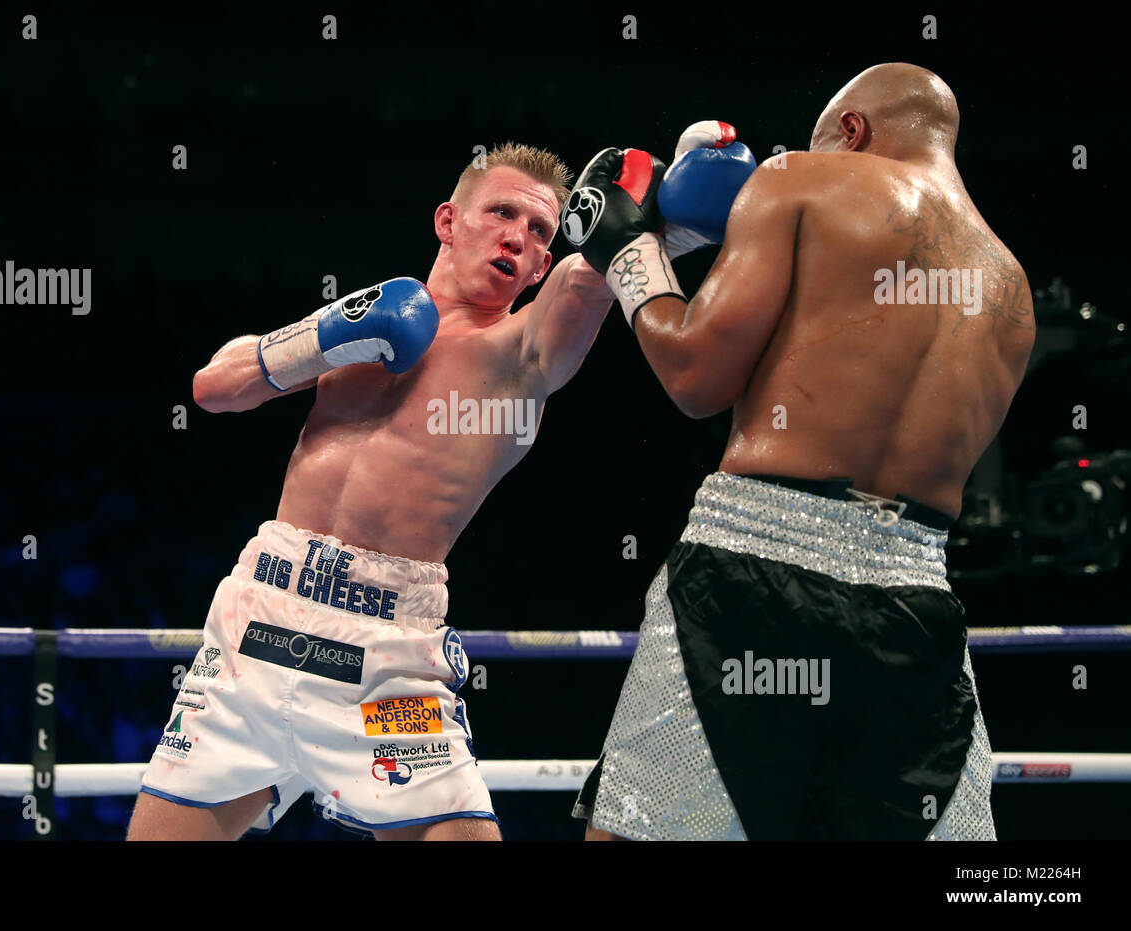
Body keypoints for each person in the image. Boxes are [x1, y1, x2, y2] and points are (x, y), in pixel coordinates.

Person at [568, 64, 1035, 840]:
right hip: (913, 604)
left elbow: (693, 374)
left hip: (752, 573)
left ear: (851, 130)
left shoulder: (802, 180)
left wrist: (630, 251)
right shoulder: (1011, 287)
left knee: (636, 829)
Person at [127, 143, 618, 841]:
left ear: (542, 263)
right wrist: (326, 335)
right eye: (502, 212)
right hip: (255, 627)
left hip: (387, 658)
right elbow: (213, 388)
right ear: (448, 221)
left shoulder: (521, 353)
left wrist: (647, 222)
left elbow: (589, 279)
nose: (519, 236)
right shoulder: (364, 322)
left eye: (539, 231)